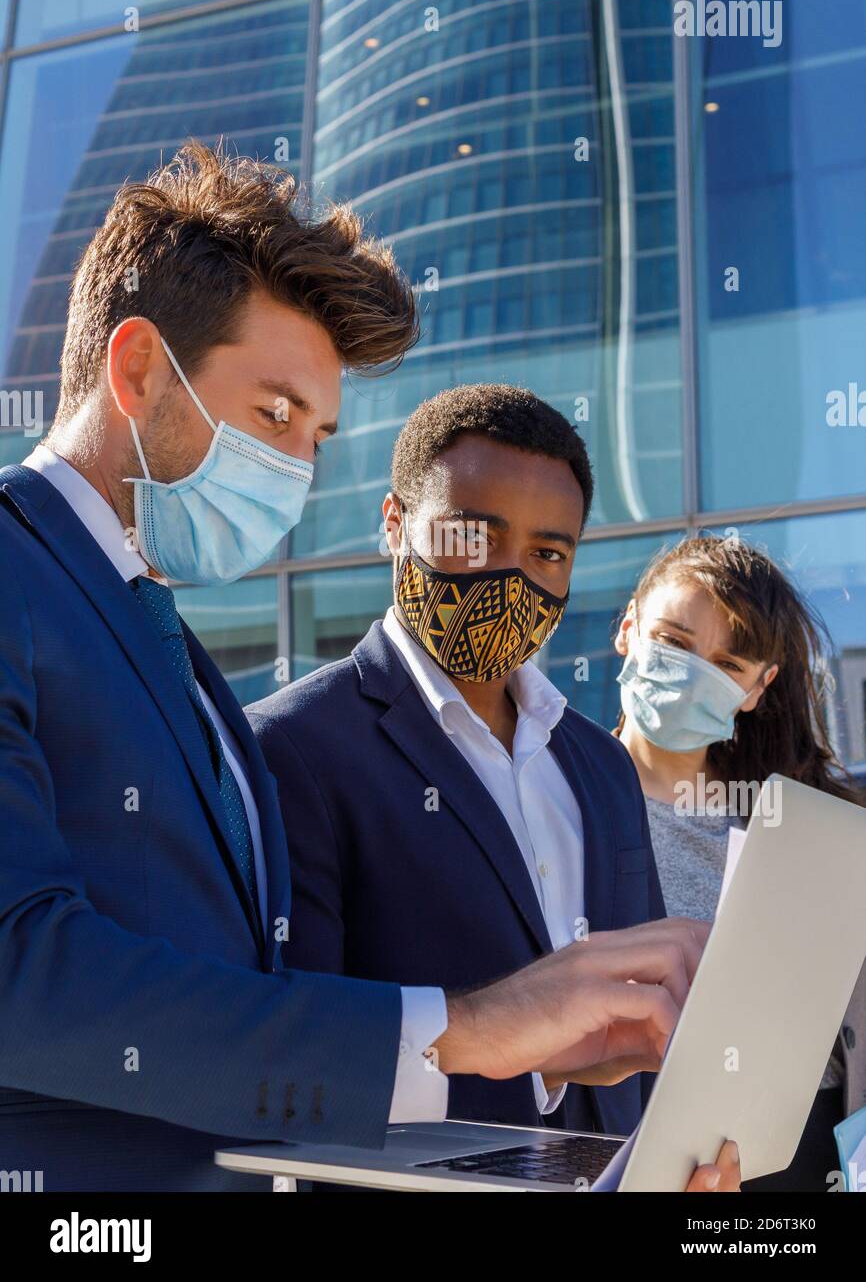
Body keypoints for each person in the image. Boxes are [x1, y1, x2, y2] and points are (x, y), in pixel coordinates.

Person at [0, 141, 730, 1192]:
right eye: (274, 414)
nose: (295, 468)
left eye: (318, 435)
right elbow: (22, 972)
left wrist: (541, 1056)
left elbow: (257, 1009)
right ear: (139, 368)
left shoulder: (178, 661)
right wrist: (465, 1028)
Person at [247, 384, 740, 1190]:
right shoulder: (289, 748)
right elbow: (291, 1051)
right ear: (395, 523)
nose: (510, 576)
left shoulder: (603, 765)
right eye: (474, 536)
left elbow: (648, 1027)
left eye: (548, 554)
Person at [612, 533, 866, 1191]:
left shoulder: (801, 817)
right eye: (672, 642)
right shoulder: (566, 801)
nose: (692, 672)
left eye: (728, 663)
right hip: (648, 1143)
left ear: (760, 687)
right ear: (628, 629)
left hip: (805, 1147)